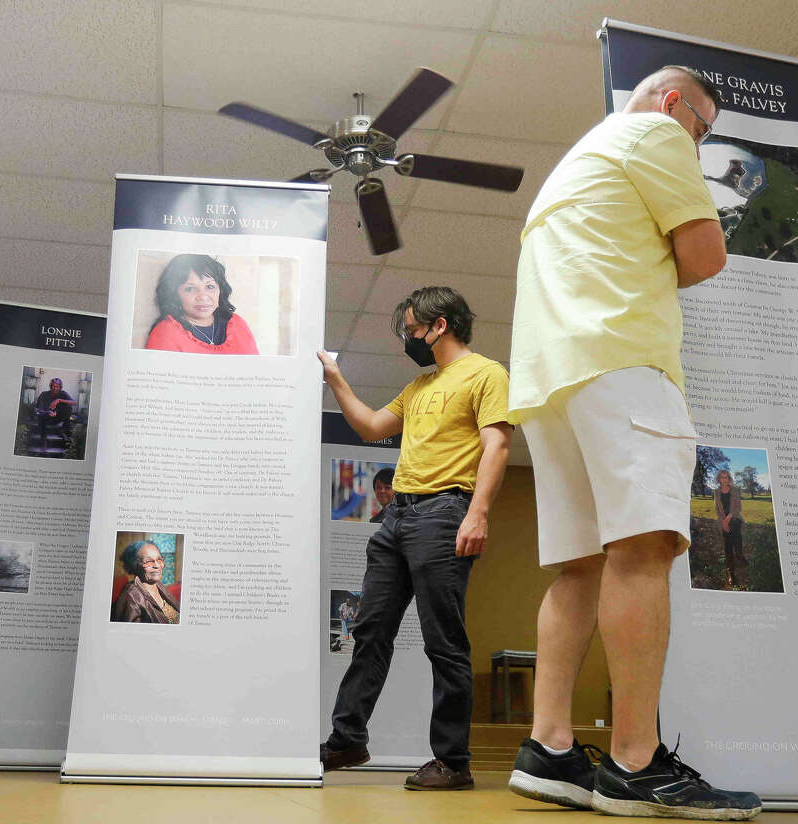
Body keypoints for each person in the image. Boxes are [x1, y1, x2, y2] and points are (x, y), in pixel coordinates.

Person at [506, 66, 761, 819]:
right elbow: (704, 255)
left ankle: (547, 748)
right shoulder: (655, 130)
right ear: (675, 103)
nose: (699, 143)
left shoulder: (577, 161)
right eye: (703, 131)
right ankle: (635, 764)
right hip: (620, 363)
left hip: (551, 379)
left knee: (580, 565)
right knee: (644, 548)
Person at [317, 286, 512, 791]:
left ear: (439, 325)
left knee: (443, 642)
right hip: (396, 518)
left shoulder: (488, 374)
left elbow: (497, 444)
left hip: (446, 512)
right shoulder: (420, 385)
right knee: (370, 630)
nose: (408, 337)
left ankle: (453, 762)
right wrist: (335, 379)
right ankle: (347, 740)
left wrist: (478, 514)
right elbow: (369, 426)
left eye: (412, 329)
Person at [144, 254, 259, 354]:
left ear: (220, 291)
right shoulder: (165, 334)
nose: (202, 296)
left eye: (210, 287)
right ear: (174, 294)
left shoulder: (238, 324)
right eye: (190, 289)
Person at [111, 541, 180, 624]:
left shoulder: (157, 584)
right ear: (135, 565)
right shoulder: (131, 597)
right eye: (148, 561)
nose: (157, 565)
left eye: (159, 559)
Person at [714, 470, 745, 588]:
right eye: (722, 477)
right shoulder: (716, 492)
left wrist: (729, 518)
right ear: (719, 479)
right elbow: (717, 509)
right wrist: (723, 522)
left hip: (735, 519)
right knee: (728, 548)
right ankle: (731, 574)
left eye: (726, 477)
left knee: (737, 543)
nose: (724, 480)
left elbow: (738, 507)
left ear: (729, 479)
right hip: (723, 522)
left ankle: (740, 555)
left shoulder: (735, 490)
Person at [34, 378, 76, 444]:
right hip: (46, 418)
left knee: (69, 407)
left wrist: (59, 400)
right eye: (53, 386)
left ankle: (63, 431)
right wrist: (48, 412)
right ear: (50, 386)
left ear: (60, 387)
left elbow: (74, 403)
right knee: (40, 416)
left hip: (58, 418)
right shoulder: (44, 394)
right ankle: (43, 439)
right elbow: (38, 409)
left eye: (57, 387)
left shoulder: (63, 393)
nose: (55, 388)